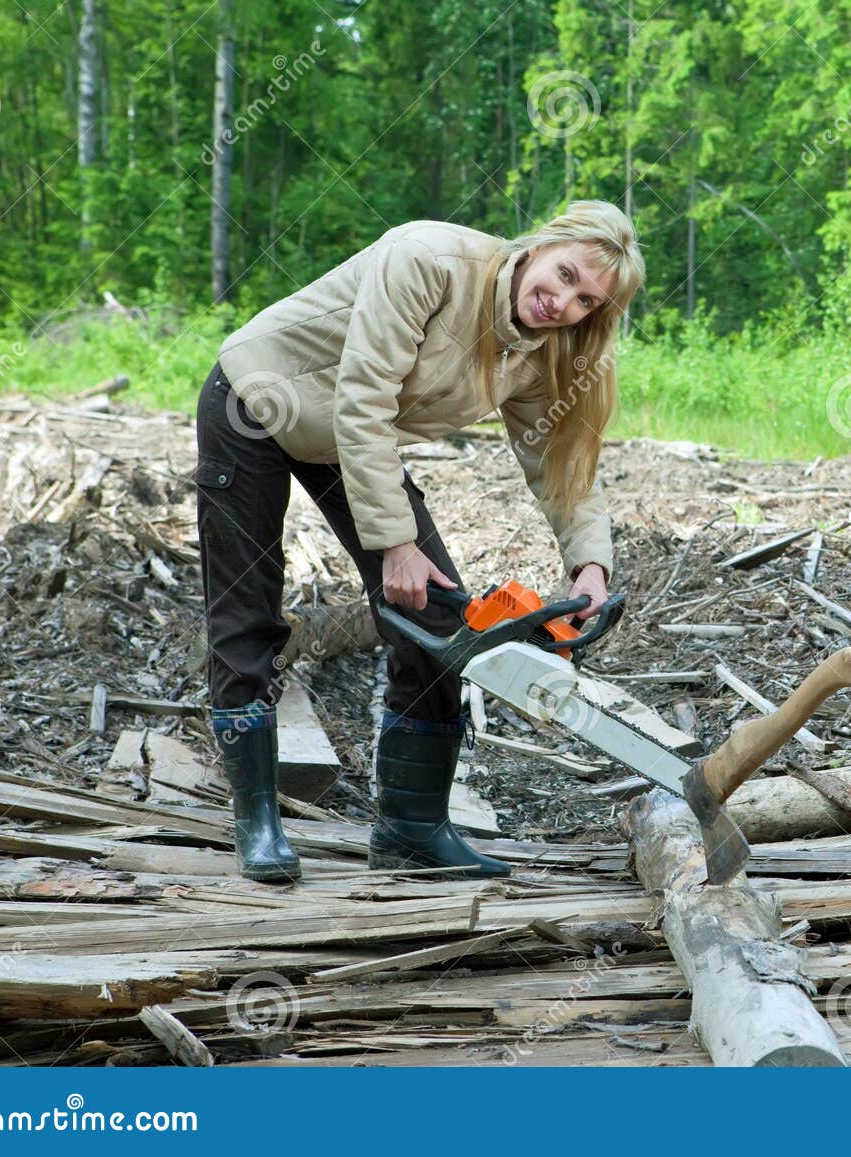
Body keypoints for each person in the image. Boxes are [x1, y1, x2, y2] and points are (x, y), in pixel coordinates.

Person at [194, 200, 644, 882]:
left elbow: (560, 460)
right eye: (565, 274)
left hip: (348, 441)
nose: (564, 302)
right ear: (542, 244)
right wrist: (395, 543)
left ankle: (410, 828)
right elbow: (365, 394)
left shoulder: (538, 346)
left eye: (586, 300)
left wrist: (590, 566)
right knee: (247, 613)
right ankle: (257, 821)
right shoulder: (429, 259)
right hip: (257, 402)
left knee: (435, 619)